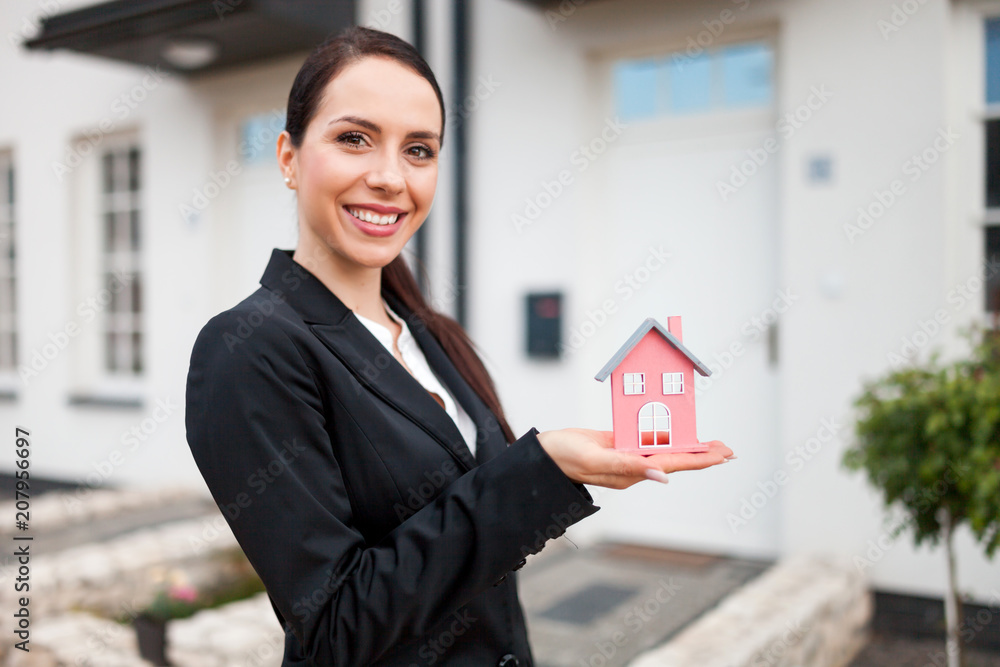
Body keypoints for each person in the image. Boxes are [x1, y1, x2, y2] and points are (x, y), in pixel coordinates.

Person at [183, 25, 734, 667]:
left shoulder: (425, 332)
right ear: (288, 157)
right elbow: (335, 626)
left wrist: (542, 471)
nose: (390, 177)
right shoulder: (249, 350)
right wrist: (542, 471)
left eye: (419, 150)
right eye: (354, 138)